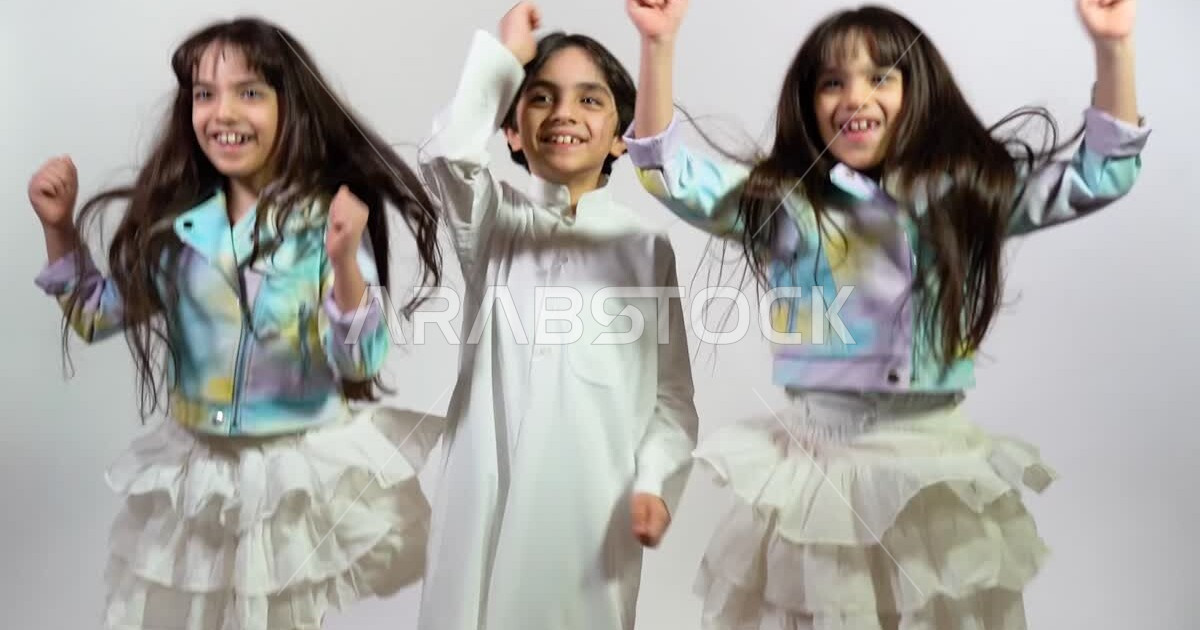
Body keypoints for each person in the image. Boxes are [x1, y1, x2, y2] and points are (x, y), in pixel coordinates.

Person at [623, 0, 1149, 627]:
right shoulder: (785, 206)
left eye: (880, 77)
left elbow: (1105, 172)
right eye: (832, 82)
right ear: (808, 103)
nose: (855, 96)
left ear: (917, 91)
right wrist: (659, 44)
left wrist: (1113, 47)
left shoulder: (963, 196)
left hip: (931, 459)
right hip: (821, 459)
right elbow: (666, 171)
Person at [29, 17, 445, 630]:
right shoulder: (176, 233)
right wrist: (58, 227)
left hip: (288, 477)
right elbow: (95, 317)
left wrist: (342, 261)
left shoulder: (322, 226)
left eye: (248, 91)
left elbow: (359, 361)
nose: (222, 111)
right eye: (204, 93)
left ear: (288, 107)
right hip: (201, 477)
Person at [415, 3, 700, 629]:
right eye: (540, 98)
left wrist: (652, 482)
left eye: (590, 101)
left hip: (590, 514)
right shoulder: (494, 223)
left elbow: (672, 400)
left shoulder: (645, 247)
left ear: (621, 136)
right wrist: (501, 58)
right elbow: (448, 158)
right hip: (483, 503)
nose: (564, 113)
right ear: (511, 130)